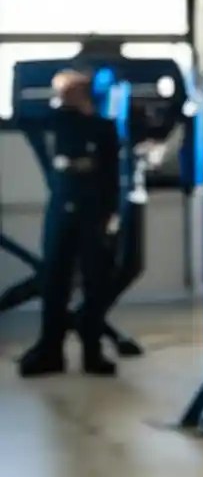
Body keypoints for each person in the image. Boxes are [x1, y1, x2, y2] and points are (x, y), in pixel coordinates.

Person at [19, 69, 121, 377]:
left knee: (95, 280)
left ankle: (92, 352)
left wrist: (109, 215)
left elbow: (111, 176)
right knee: (55, 279)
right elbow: (22, 113)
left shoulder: (103, 128)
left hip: (92, 207)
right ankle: (51, 350)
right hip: (62, 203)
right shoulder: (55, 120)